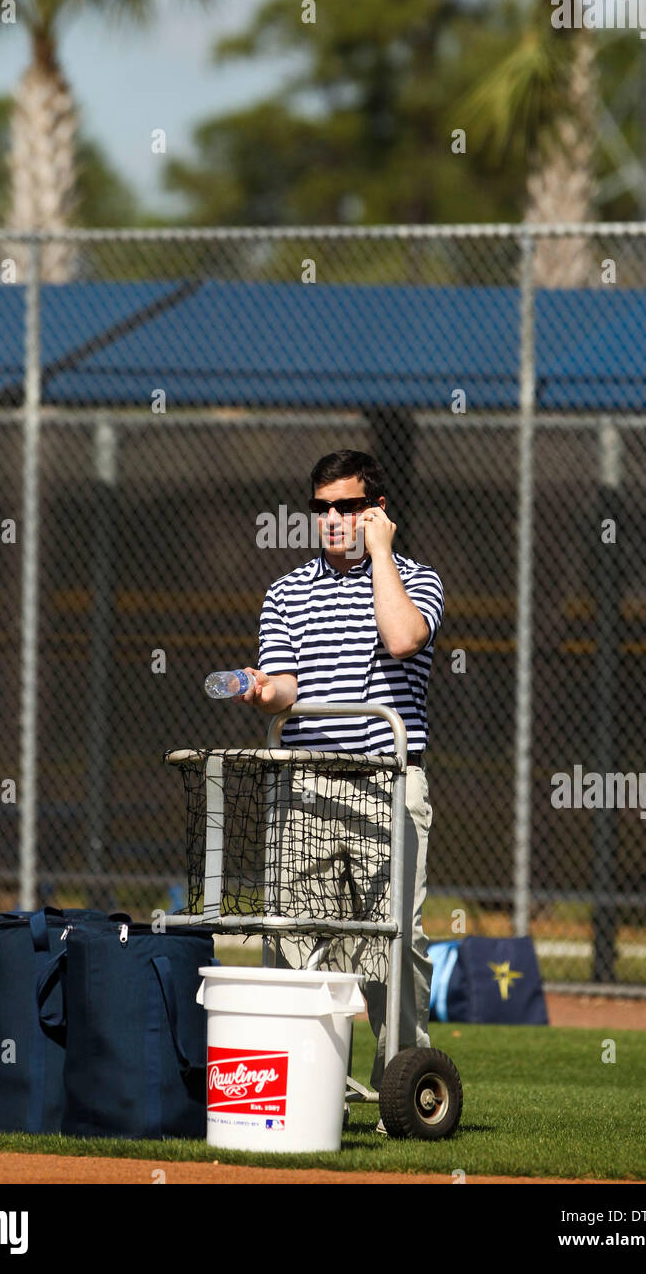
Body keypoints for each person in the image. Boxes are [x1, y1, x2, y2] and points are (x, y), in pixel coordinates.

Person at [234, 449, 444, 1105]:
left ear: (376, 510)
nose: (332, 518)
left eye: (348, 506)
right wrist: (265, 692)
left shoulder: (417, 580)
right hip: (309, 785)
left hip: (390, 781)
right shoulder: (286, 591)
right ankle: (308, 1093)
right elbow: (287, 688)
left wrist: (381, 555)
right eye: (322, 507)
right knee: (299, 938)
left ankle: (403, 1093)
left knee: (395, 943)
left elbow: (402, 637)